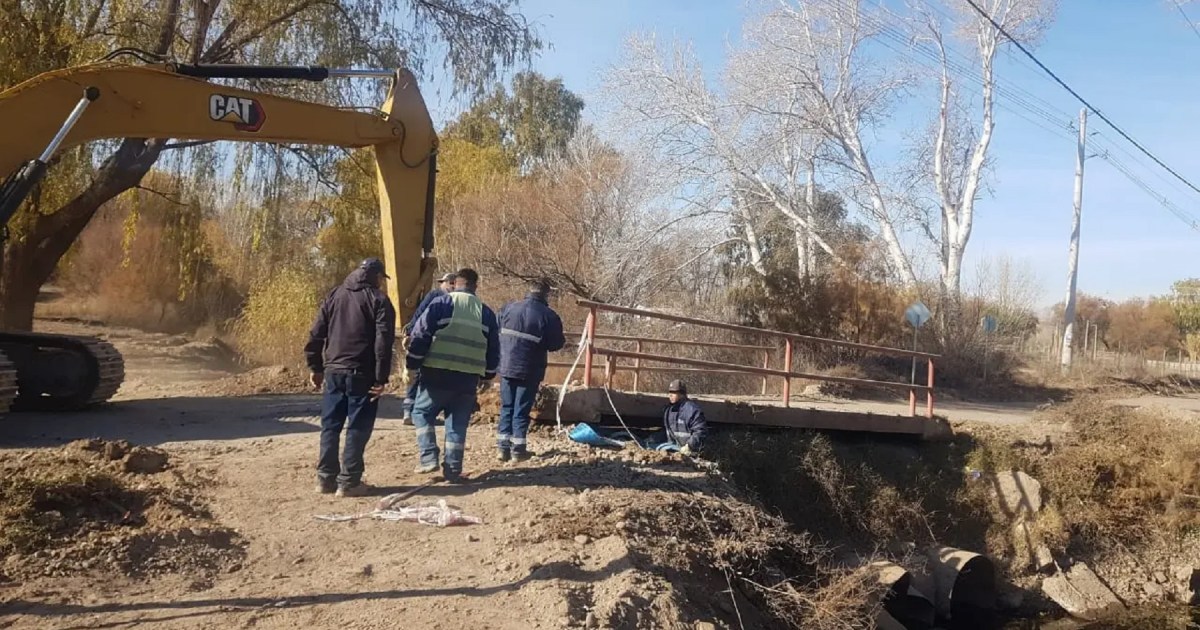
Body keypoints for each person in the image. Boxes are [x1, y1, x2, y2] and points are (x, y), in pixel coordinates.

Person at [304, 257, 396, 497]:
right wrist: (381, 378)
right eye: (381, 279)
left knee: (330, 426)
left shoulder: (334, 295)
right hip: (362, 374)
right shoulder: (379, 300)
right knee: (358, 426)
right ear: (376, 277)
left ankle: (325, 479)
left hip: (334, 371)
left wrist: (315, 366)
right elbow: (382, 342)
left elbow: (316, 333)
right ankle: (349, 482)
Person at [404, 268, 500, 482]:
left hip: (437, 372)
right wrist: (488, 375)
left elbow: (421, 334)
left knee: (421, 413)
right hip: (467, 378)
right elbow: (494, 348)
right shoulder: (486, 313)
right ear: (476, 285)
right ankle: (453, 470)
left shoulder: (440, 304)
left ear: (455, 283)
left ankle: (428, 457)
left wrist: (412, 363)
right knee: (457, 423)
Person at [495, 279, 566, 462]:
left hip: (506, 366)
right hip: (530, 369)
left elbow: (497, 331)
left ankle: (502, 449)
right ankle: (518, 450)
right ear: (546, 294)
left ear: (529, 290)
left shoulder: (508, 308)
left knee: (507, 407)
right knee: (521, 409)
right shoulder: (549, 316)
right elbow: (556, 344)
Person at [401, 272, 456, 425]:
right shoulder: (441, 297)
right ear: (451, 283)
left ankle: (411, 411)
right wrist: (410, 331)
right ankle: (416, 412)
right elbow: (421, 313)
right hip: (431, 341)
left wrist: (411, 332)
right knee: (422, 376)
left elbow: (420, 313)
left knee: (417, 375)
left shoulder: (439, 297)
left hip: (426, 339)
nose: (442, 285)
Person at [662, 380, 708, 455]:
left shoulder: (692, 410)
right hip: (676, 451)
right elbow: (668, 433)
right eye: (670, 392)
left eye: (674, 392)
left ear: (682, 394)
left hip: (692, 453)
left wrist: (689, 446)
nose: (670, 395)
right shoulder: (668, 411)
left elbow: (700, 431)